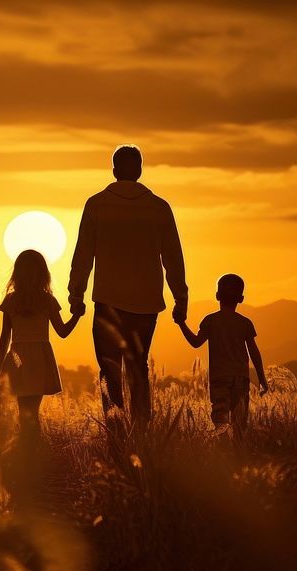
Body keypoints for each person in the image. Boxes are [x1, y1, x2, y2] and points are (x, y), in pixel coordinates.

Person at [68, 144, 187, 426]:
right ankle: (142, 430)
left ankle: (116, 430)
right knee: (138, 367)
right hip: (146, 304)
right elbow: (174, 258)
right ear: (140, 170)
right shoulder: (158, 207)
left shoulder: (96, 204)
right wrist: (180, 299)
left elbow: (83, 255)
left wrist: (76, 295)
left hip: (108, 301)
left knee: (110, 369)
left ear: (114, 170)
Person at [0, 249, 81, 445]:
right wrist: (77, 315)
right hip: (39, 359)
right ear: (43, 273)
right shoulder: (47, 300)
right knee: (32, 412)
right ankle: (33, 452)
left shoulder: (11, 300)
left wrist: (0, 368)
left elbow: (4, 336)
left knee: (23, 411)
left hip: (17, 358)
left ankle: (27, 452)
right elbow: (62, 332)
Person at [177, 274, 268, 435]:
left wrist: (181, 324)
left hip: (219, 379)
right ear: (241, 298)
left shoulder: (210, 321)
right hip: (241, 378)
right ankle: (239, 452)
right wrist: (262, 379)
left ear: (217, 295)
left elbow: (196, 342)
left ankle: (223, 449)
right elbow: (254, 352)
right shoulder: (245, 323)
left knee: (221, 419)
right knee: (240, 422)